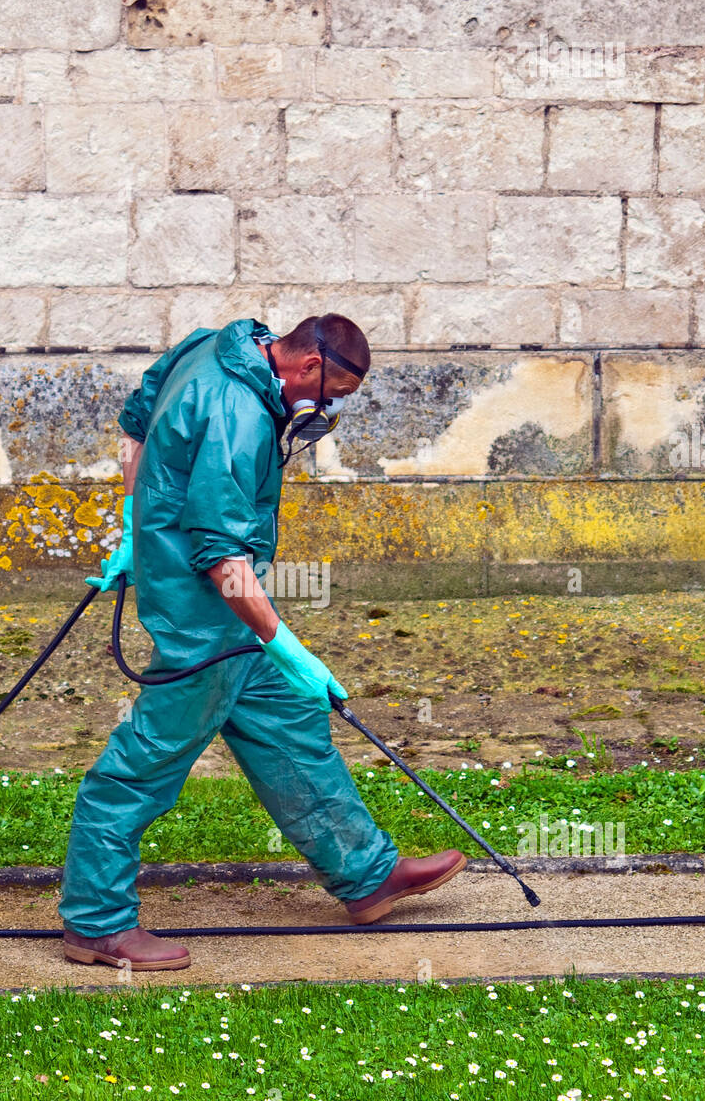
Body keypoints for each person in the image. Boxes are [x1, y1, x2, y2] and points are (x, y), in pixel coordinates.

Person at [59, 314, 465, 970]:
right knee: (141, 768)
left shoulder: (214, 343)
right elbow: (223, 563)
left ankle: (366, 877)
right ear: (304, 367)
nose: (326, 409)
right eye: (330, 395)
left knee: (288, 727)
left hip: (209, 603)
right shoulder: (243, 421)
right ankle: (95, 921)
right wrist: (288, 647)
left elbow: (137, 423)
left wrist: (136, 523)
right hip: (204, 619)